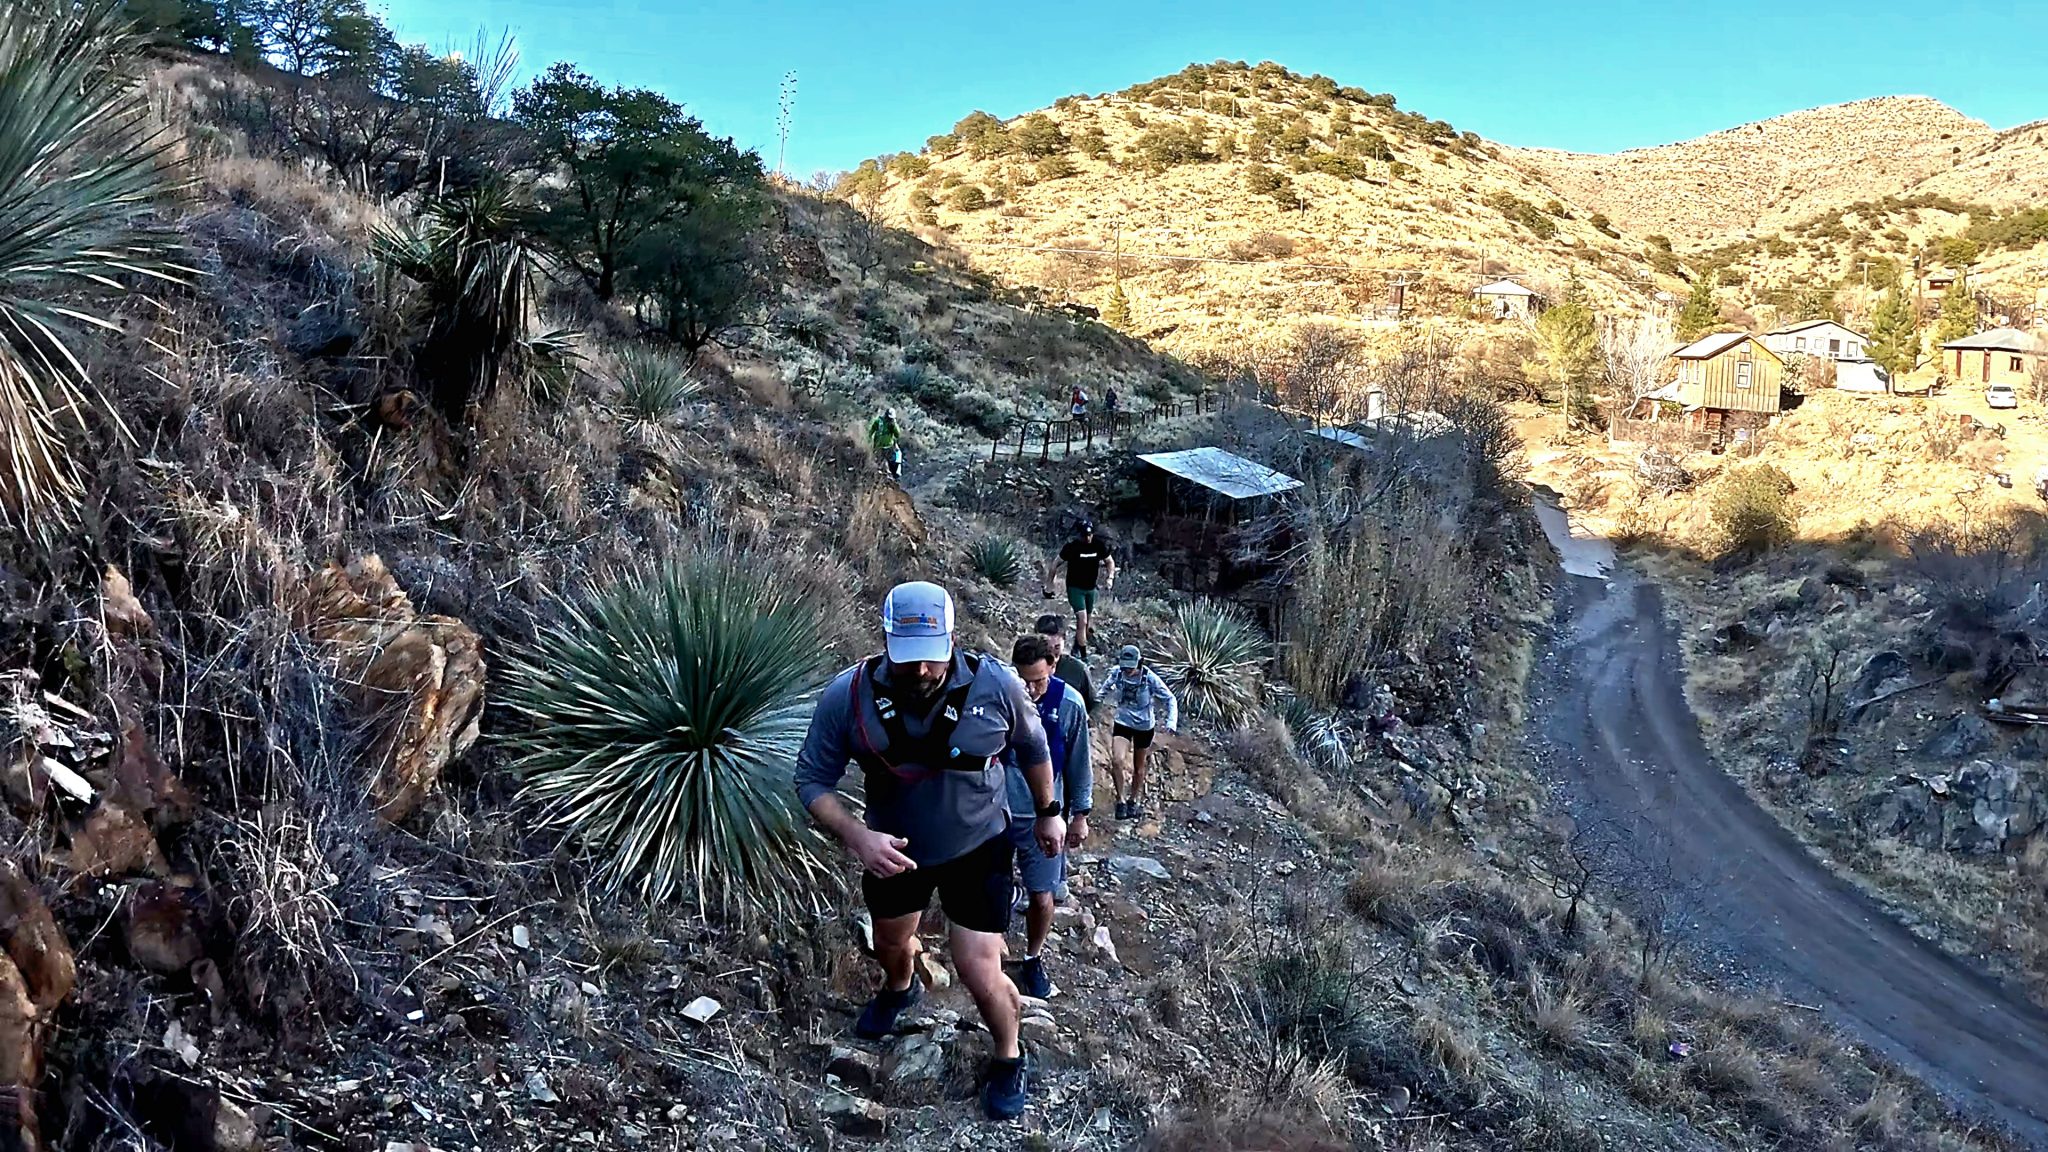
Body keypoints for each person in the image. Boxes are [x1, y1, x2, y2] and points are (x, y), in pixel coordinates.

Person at [796, 581, 1064, 1121]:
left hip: (979, 844)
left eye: (930, 659)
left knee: (978, 968)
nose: (919, 671)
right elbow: (811, 781)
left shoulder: (996, 685)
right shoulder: (847, 697)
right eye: (907, 659)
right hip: (894, 848)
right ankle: (899, 988)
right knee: (892, 942)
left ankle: (1009, 1054)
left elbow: (1032, 748)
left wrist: (1048, 810)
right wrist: (859, 837)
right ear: (886, 641)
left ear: (951, 640)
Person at [1004, 633, 1091, 999]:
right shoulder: (1004, 697)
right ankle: (990, 953)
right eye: (1024, 680)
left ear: (1053, 667)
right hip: (997, 812)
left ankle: (1033, 957)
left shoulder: (1070, 704)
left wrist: (1080, 814)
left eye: (1038, 680)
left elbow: (1078, 762)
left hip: (1044, 817)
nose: (1031, 689)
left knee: (1042, 896)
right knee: (991, 888)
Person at [1105, 644, 1177, 821]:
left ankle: (1133, 800)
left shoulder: (1149, 678)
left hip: (1143, 726)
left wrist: (1171, 722)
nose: (1128, 671)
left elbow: (1170, 698)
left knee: (1139, 767)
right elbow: (1104, 689)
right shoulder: (1117, 673)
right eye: (1125, 667)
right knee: (1117, 760)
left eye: (1131, 667)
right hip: (1123, 721)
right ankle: (1120, 799)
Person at [1043, 522, 1114, 657]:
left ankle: (1077, 645)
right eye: (1084, 535)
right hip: (1075, 588)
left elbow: (1109, 561)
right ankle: (1083, 655)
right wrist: (1049, 585)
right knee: (1082, 619)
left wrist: (1110, 577)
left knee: (1087, 623)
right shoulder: (1072, 547)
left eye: (1089, 535)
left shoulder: (1098, 545)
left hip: (1090, 588)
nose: (1087, 538)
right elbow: (1055, 564)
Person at [1032, 614, 1098, 714]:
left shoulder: (1078, 670)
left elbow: (1091, 705)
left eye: (1057, 647)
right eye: (1047, 647)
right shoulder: (1027, 666)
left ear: (1064, 641)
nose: (1052, 653)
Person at [868, 408, 904, 479]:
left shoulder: (878, 421)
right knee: (896, 455)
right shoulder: (891, 424)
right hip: (888, 446)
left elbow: (871, 431)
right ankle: (894, 473)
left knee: (880, 461)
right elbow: (897, 434)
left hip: (878, 446)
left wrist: (869, 439)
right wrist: (894, 425)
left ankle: (885, 473)